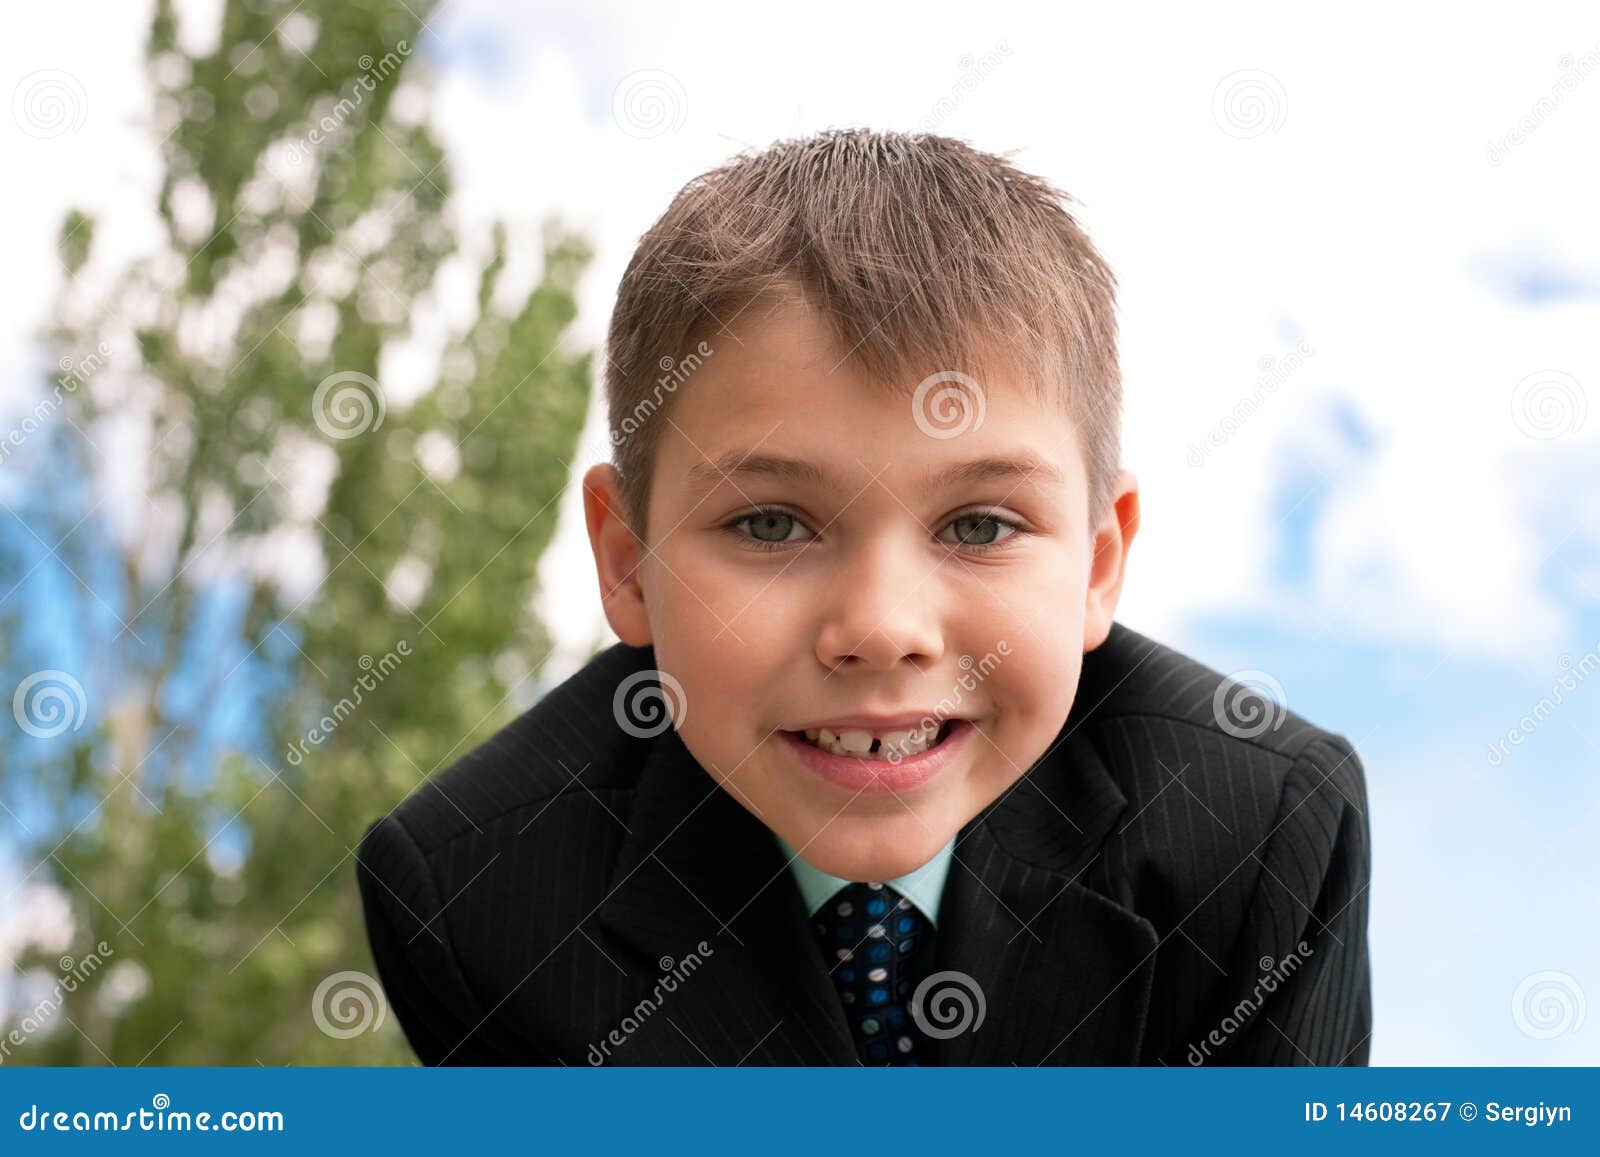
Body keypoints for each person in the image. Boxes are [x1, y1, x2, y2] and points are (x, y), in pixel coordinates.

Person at [356, 128, 1371, 1066]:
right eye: (769, 523)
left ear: (1098, 564)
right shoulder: (474, 893)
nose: (882, 629)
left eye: (978, 525)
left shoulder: (1261, 832)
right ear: (628, 563)